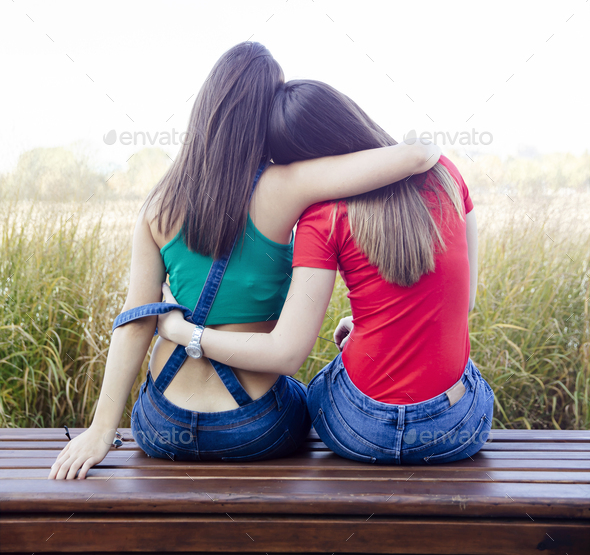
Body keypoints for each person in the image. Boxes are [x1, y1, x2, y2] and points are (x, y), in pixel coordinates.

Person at [49, 47, 440, 479]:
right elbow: (417, 155)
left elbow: (137, 321)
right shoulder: (287, 185)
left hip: (161, 424)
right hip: (252, 427)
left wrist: (102, 430)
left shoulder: (156, 206)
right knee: (311, 397)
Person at [158, 79, 493, 465]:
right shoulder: (446, 176)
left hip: (364, 431)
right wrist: (376, 324)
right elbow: (462, 303)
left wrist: (185, 332)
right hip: (456, 428)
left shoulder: (322, 217)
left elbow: (285, 351)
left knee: (314, 390)